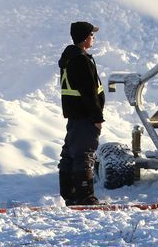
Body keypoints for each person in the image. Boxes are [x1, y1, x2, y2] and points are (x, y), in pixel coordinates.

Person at [57, 21, 105, 206]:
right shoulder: (81, 60)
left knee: (70, 153)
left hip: (75, 116)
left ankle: (69, 194)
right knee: (84, 155)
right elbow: (89, 92)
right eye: (92, 35)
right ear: (85, 38)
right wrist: (97, 117)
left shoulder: (70, 57)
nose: (93, 38)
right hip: (84, 116)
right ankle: (85, 197)